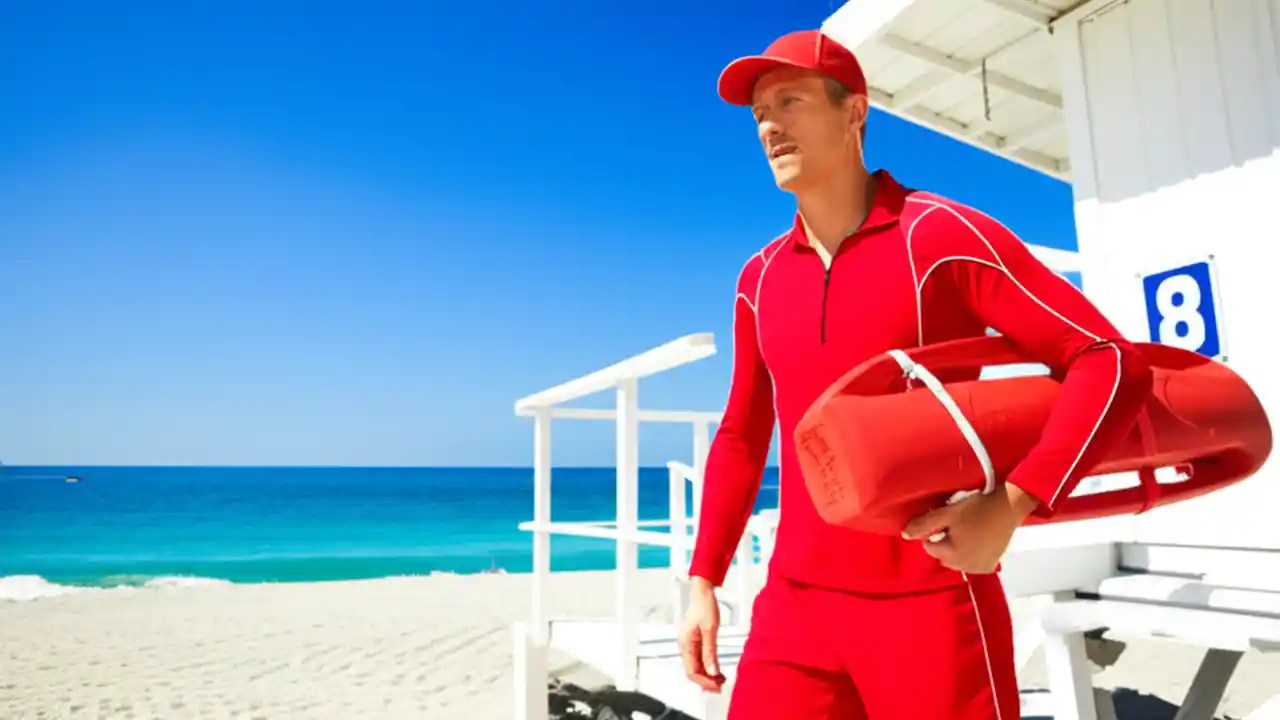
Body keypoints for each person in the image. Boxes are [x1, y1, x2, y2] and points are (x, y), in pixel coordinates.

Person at [678, 29, 1154, 719]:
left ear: (853, 112)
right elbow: (744, 435)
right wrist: (703, 582)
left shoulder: (939, 238)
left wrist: (1013, 504)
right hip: (794, 607)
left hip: (934, 601)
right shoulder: (759, 279)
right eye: (759, 114)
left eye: (790, 101)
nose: (770, 126)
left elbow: (1109, 361)